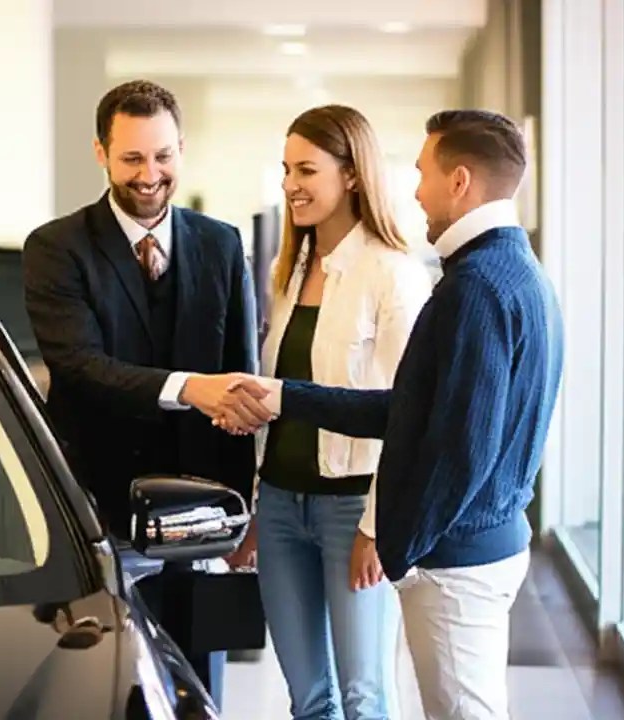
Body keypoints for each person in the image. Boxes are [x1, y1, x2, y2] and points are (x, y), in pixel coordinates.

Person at [221, 109, 564, 720]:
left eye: (424, 173)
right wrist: (283, 399)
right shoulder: (509, 272)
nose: (416, 190)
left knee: (398, 702)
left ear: (459, 181)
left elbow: (460, 447)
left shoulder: (472, 286)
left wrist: (395, 541)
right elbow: (414, 412)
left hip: (444, 550)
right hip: (329, 513)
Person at [22, 79, 260, 706]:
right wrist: (191, 388)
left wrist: (244, 512)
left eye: (163, 156)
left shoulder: (222, 243)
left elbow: (240, 370)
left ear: (181, 149)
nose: (149, 174)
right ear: (100, 153)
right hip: (100, 508)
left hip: (203, 516)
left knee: (203, 690)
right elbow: (79, 366)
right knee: (113, 688)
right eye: (131, 158)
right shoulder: (57, 248)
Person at [230, 105, 432, 720]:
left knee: (365, 698)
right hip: (283, 508)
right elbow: (281, 397)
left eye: (306, 170)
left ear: (351, 175)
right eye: (286, 169)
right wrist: (258, 508)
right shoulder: (285, 272)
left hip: (354, 511)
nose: (290, 184)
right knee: (309, 699)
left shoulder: (393, 275)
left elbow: (408, 415)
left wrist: (377, 526)